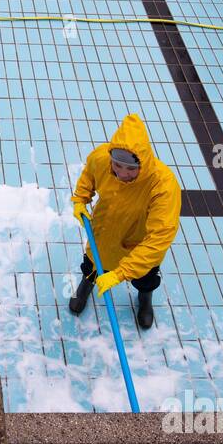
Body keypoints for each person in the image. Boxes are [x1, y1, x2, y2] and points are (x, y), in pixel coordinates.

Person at [69, 113, 180, 329]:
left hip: (137, 243)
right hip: (102, 232)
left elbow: (158, 239)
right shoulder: (101, 158)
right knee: (92, 263)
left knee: (145, 278)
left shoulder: (163, 186)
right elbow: (89, 175)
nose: (122, 173)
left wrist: (120, 273)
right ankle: (87, 283)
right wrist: (80, 200)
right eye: (117, 166)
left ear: (144, 163)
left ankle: (144, 299)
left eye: (131, 169)